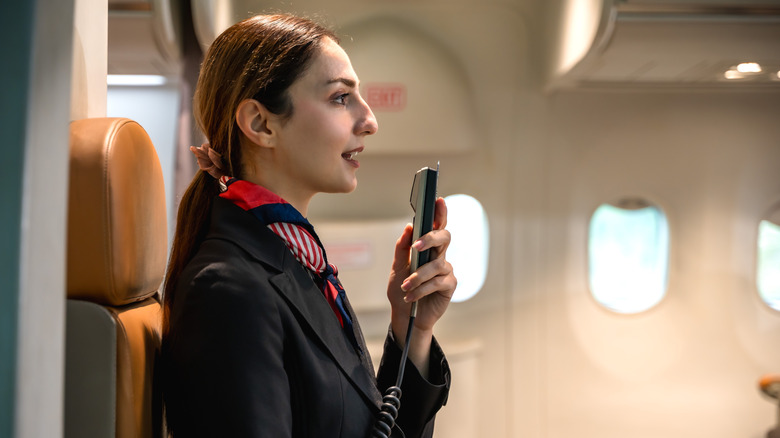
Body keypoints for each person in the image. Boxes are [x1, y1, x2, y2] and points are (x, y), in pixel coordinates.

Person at [161, 13, 457, 438]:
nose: (370, 121)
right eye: (340, 98)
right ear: (261, 124)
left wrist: (413, 326)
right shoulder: (228, 290)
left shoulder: (302, 265)